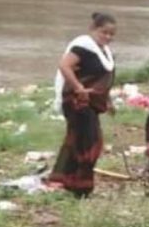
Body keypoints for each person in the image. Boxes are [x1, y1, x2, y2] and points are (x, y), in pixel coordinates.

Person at [46, 13, 117, 198]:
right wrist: (79, 87)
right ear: (93, 29)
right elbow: (64, 66)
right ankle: (80, 187)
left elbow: (103, 80)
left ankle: (67, 180)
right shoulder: (83, 47)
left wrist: (107, 101)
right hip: (77, 102)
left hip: (92, 103)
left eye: (111, 34)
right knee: (89, 143)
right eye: (104, 33)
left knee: (79, 140)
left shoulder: (104, 51)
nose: (108, 37)